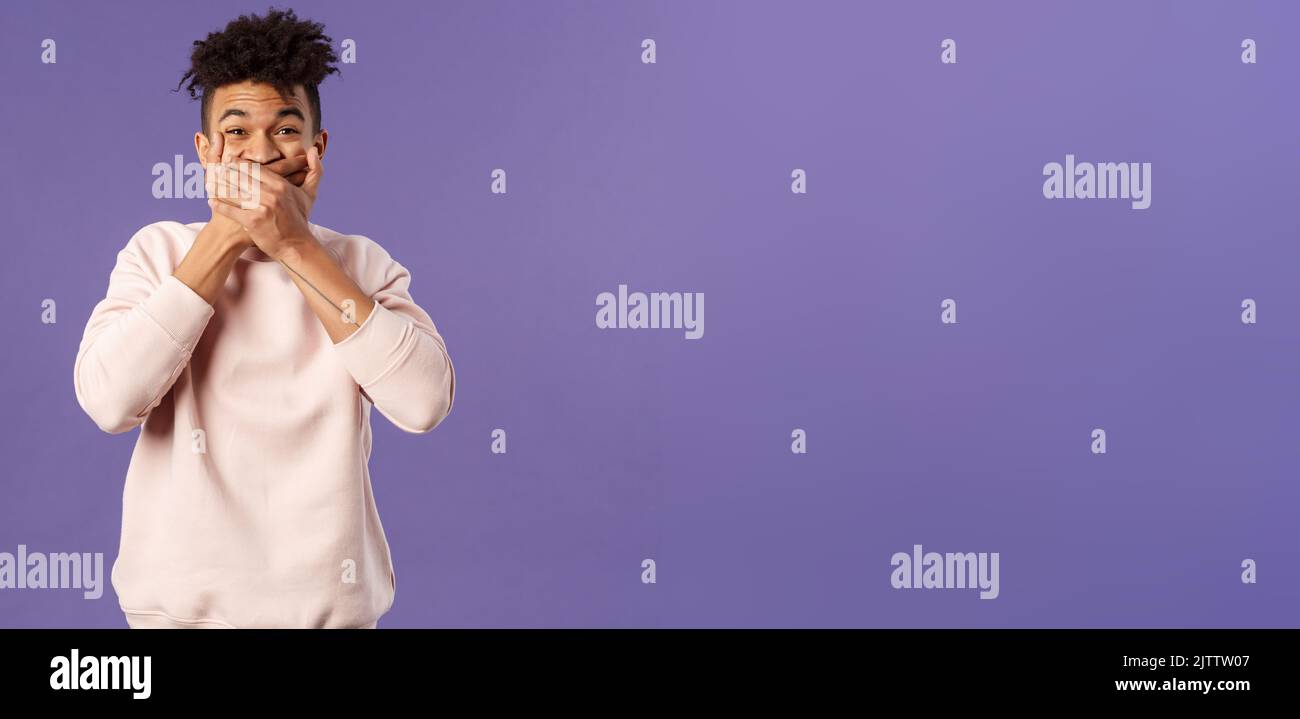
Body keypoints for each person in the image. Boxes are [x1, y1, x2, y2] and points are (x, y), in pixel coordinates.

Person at [72, 8, 455, 629]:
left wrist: (294, 246)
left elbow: (424, 402)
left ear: (316, 148)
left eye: (283, 130)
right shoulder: (158, 253)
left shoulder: (359, 262)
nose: (258, 155)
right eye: (237, 131)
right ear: (204, 151)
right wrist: (225, 236)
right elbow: (109, 402)